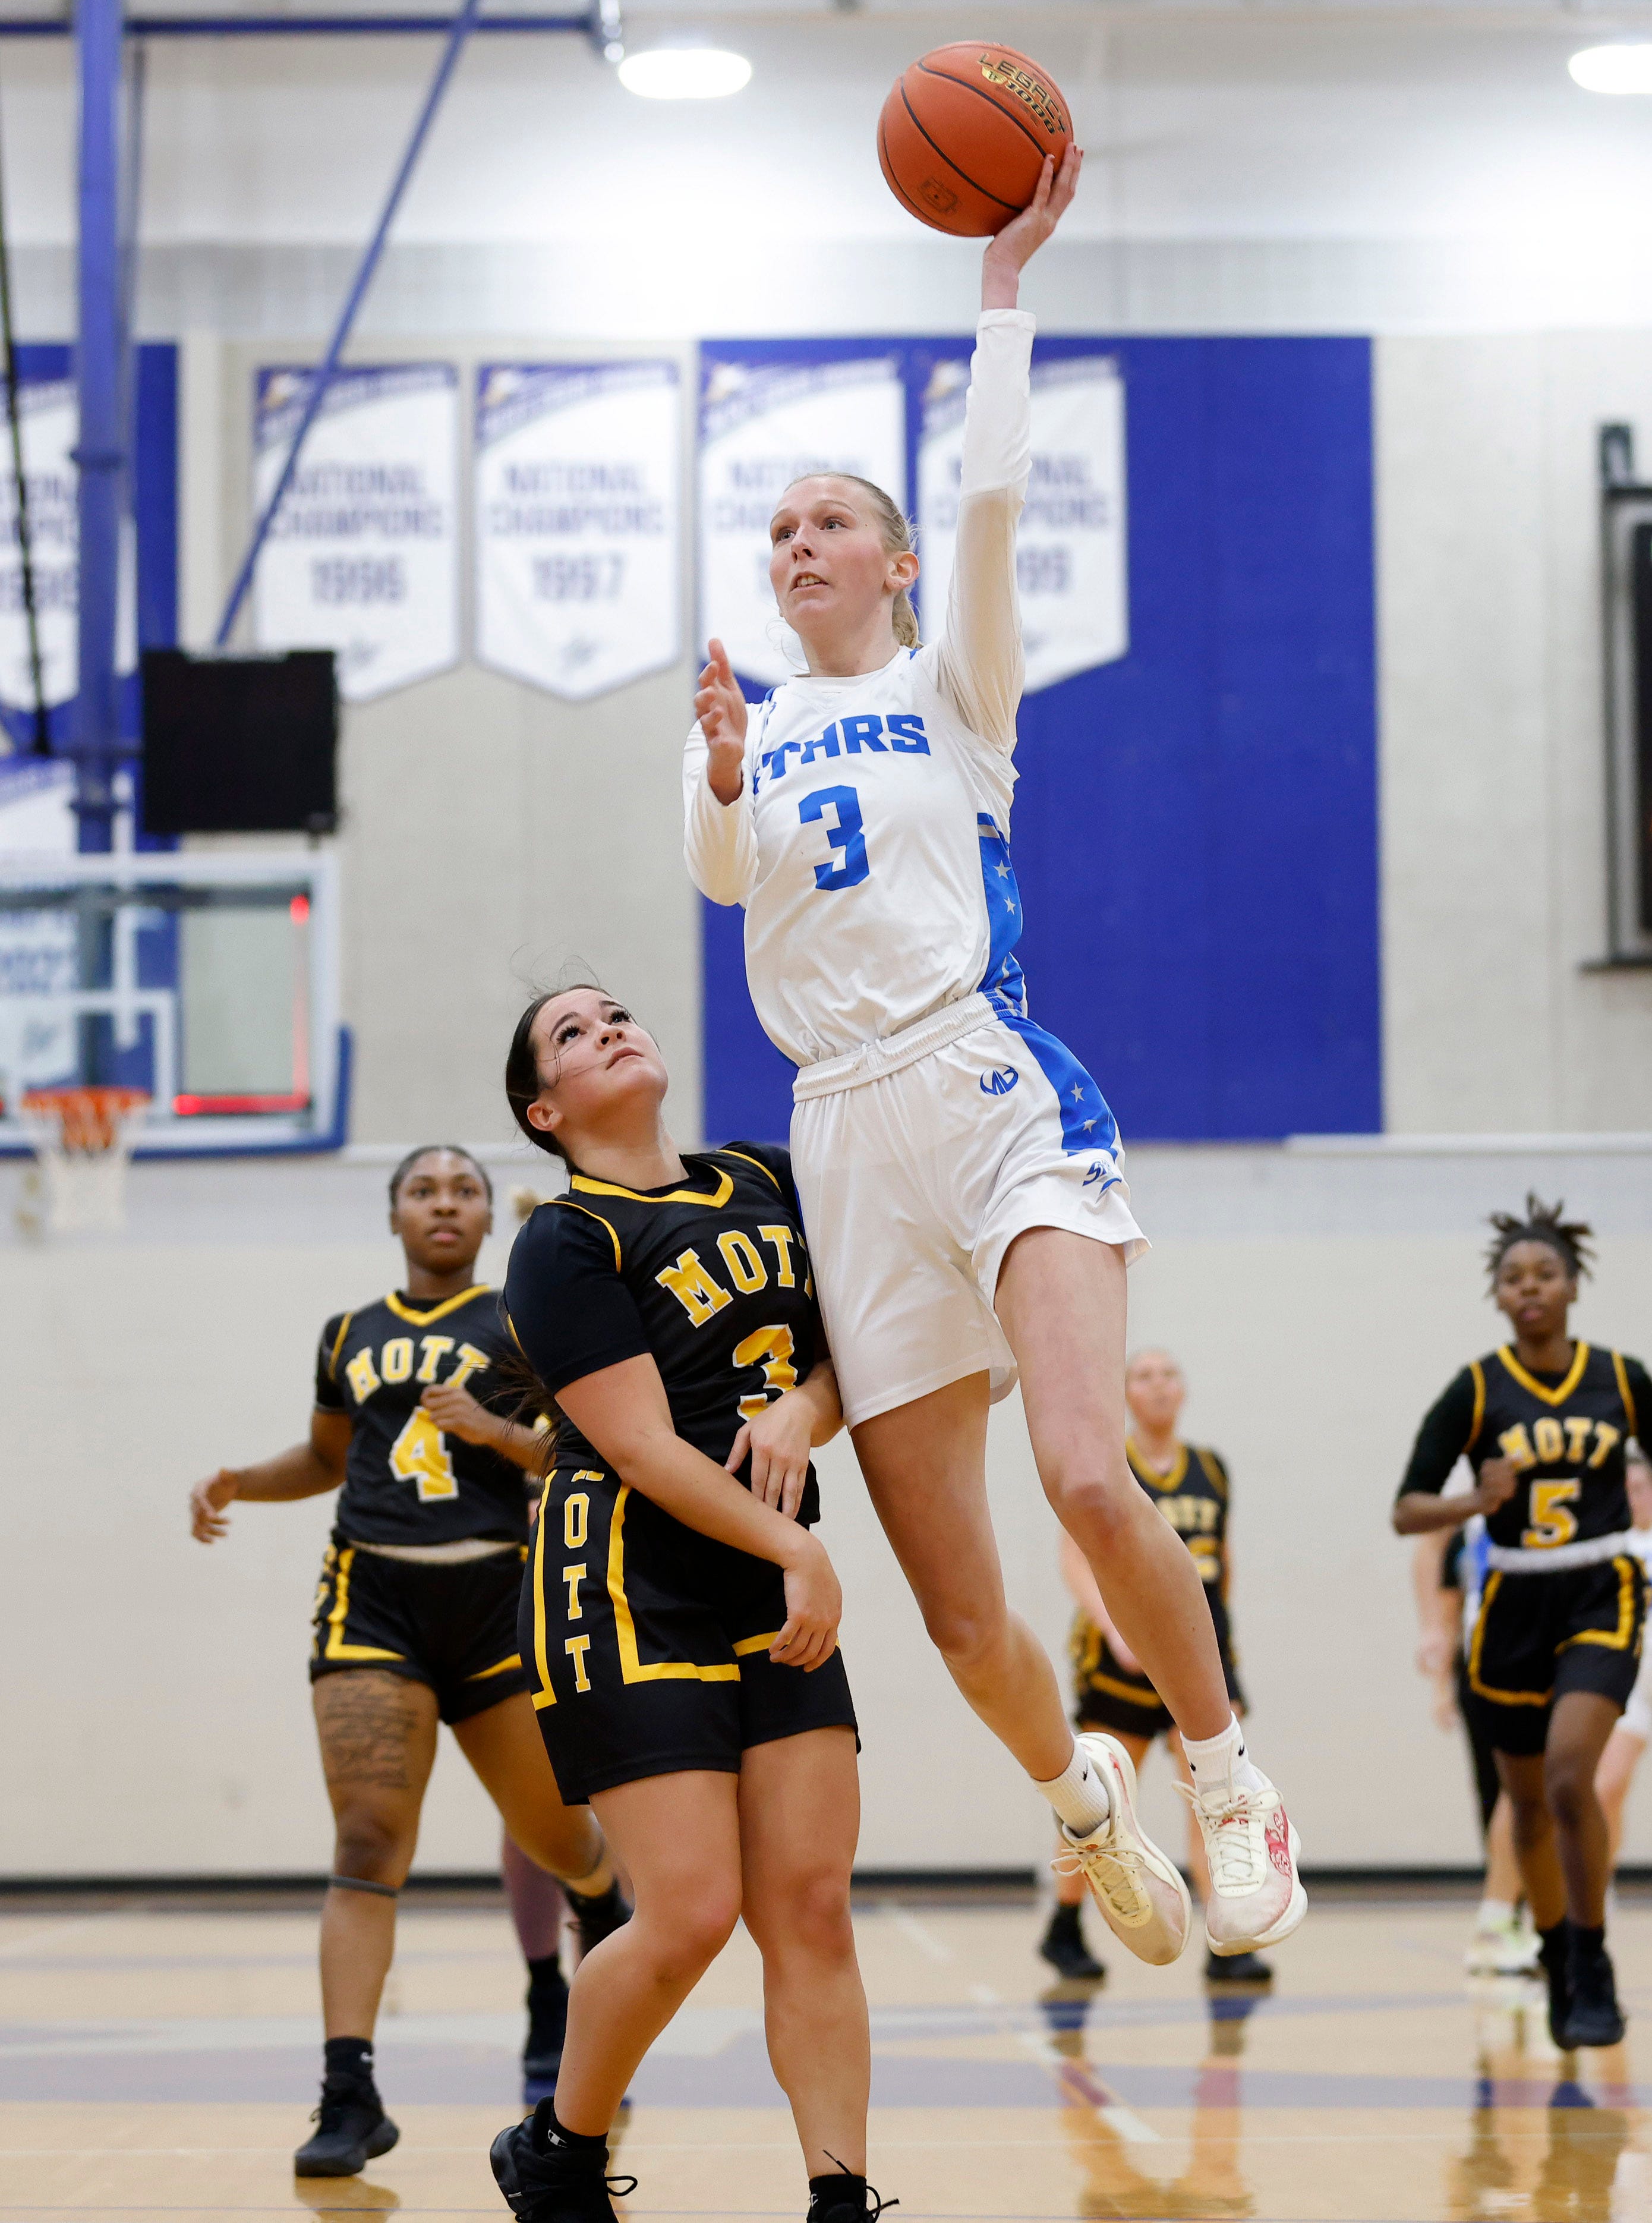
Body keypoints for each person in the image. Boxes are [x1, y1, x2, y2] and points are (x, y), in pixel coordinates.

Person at [685, 149, 1301, 1970]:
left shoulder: (952, 686)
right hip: (836, 1138)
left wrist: (1001, 290)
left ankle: (1221, 1767)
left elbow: (987, 495)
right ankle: (1078, 1807)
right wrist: (722, 772)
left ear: (880, 559)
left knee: (1085, 1470)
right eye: (775, 526)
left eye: (826, 522)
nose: (796, 543)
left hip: (981, 1082)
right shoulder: (742, 724)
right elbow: (719, 874)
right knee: (953, 1617)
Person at [487, 986, 888, 2223]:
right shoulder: (564, 1241)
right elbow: (644, 1449)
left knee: (812, 1904)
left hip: (764, 1571)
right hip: (622, 1579)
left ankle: (839, 2197)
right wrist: (798, 1548)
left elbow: (864, 1340)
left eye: (615, 1010)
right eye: (571, 1032)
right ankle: (559, 2146)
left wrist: (804, 1413)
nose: (609, 1026)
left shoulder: (769, 1175)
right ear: (543, 1110)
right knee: (693, 1910)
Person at [188, 1145, 629, 2177]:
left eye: (463, 1191)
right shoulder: (348, 1333)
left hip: (496, 1604)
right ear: (394, 1214)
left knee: (562, 1842)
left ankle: (602, 1922)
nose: (444, 1204)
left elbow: (584, 1451)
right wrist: (237, 1483)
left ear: (486, 1219)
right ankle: (350, 2091)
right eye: (423, 1190)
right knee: (369, 1833)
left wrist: (490, 1430)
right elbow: (331, 1459)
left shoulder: (518, 1327)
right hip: (372, 1598)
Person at [1392, 1195, 1652, 2049]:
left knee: (1576, 1776)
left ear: (1573, 1284)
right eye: (1513, 1278)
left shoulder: (1621, 1379)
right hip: (1508, 1603)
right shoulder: (1475, 1389)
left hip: (1601, 1590)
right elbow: (1406, 1510)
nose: (1530, 1287)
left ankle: (1594, 1959)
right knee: (1530, 1805)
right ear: (1499, 1297)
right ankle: (1556, 1958)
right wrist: (1475, 1498)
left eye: (1545, 1274)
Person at [1041, 1349, 1270, 1987]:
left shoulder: (1211, 1469)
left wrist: (1225, 1647)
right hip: (1121, 1657)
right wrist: (1112, 1624)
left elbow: (1222, 1564)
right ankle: (1063, 1925)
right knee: (1102, 1803)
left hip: (1197, 1654)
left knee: (1214, 1794)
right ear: (1124, 1393)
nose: (1158, 1384)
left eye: (1169, 1373)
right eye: (1143, 1375)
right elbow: (1073, 1555)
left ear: (1183, 1390)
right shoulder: (1108, 1465)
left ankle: (1232, 1932)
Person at [1412, 1526, 1537, 1978]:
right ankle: (1505, 1913)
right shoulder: (1468, 1535)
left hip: (1535, 1671)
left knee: (1527, 1790)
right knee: (1496, 1793)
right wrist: (1442, 1688)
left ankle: (1518, 1912)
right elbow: (1448, 1611)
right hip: (1482, 1673)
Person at [1593, 1446, 1652, 1868]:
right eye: (1624, 1490)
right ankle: (1598, 1881)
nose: (1633, 1498)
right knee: (1605, 1788)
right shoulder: (1603, 1546)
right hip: (1629, 1681)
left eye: (1640, 1488)